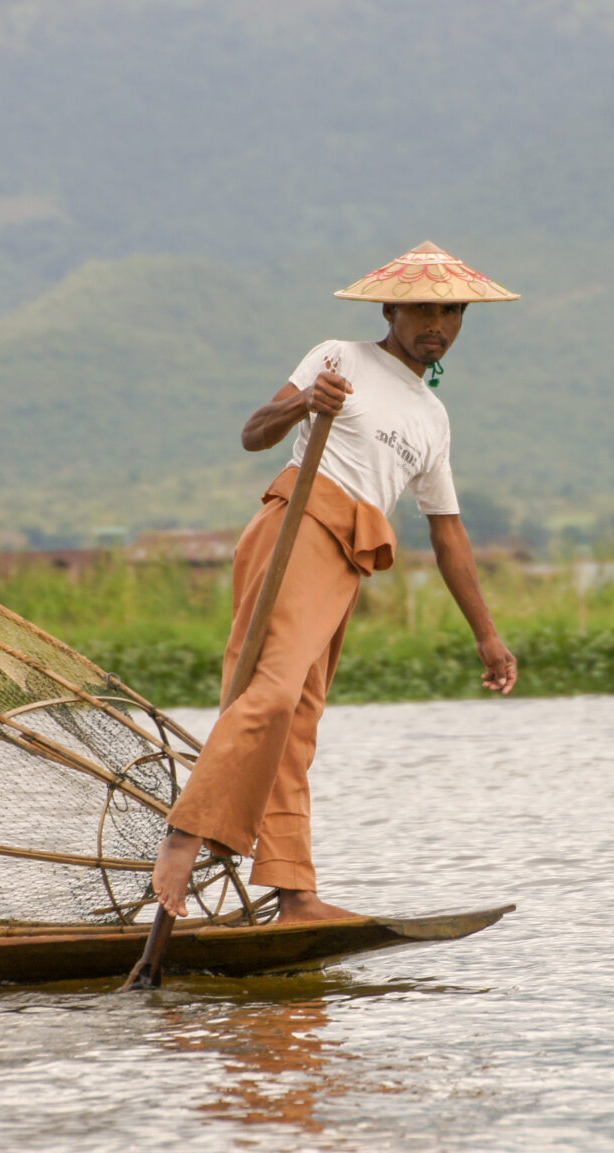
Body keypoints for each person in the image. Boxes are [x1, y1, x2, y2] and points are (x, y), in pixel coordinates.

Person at [150, 243, 521, 922]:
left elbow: (449, 535)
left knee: (297, 724)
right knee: (271, 694)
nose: (436, 323)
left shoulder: (432, 417)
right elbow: (253, 434)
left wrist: (488, 635)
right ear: (389, 312)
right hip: (297, 529)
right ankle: (183, 833)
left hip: (348, 562)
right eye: (421, 309)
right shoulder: (340, 358)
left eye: (451, 312)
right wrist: (304, 404)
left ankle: (295, 894)